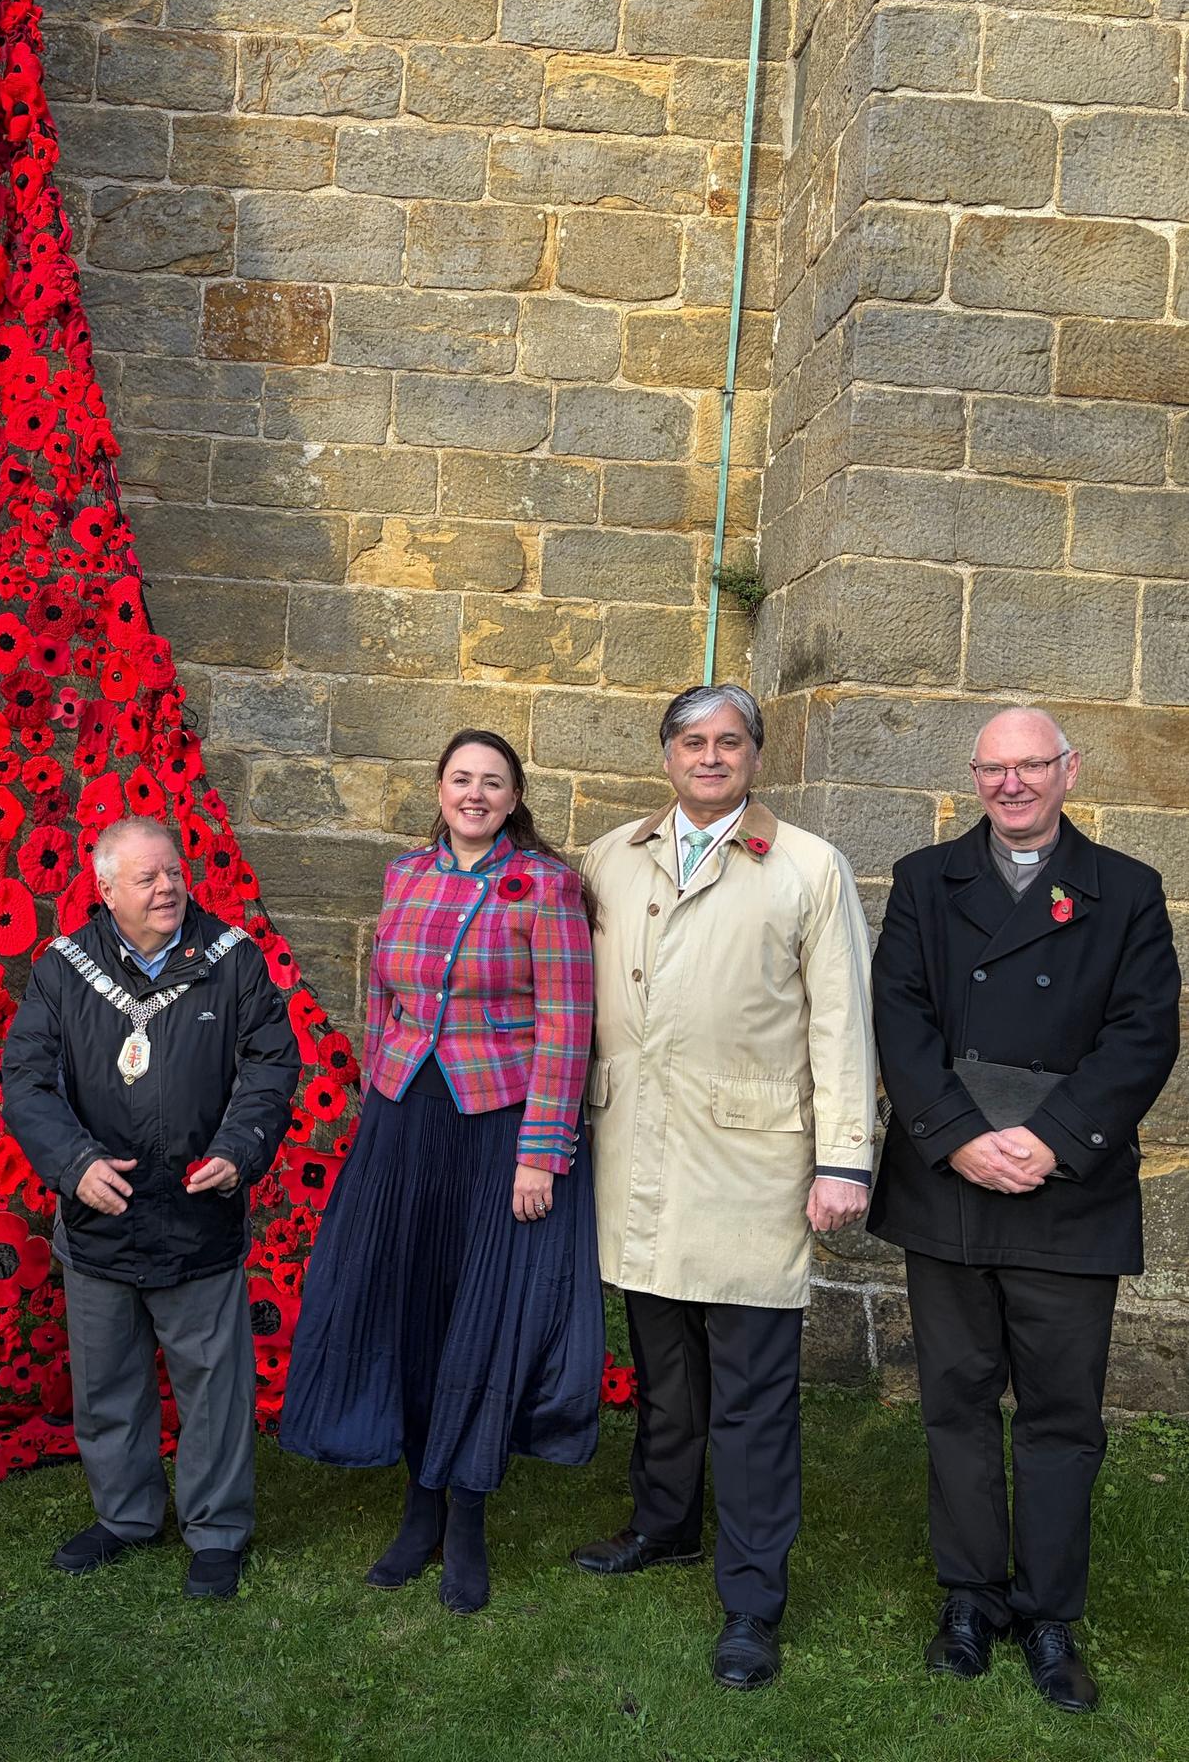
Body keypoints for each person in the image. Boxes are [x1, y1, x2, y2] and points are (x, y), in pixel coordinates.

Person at [868, 707, 1180, 1713]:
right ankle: (966, 1596)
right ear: (972, 775)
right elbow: (897, 1015)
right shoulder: (922, 879)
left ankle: (1046, 1612)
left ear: (1066, 770)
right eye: (991, 767)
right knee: (954, 1401)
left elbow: (1142, 1034)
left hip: (1066, 1188)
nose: (1010, 783)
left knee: (1058, 1412)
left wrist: (1048, 1140)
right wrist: (959, 1135)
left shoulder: (1125, 890)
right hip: (947, 1178)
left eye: (1029, 765)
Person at [572, 684, 875, 1690]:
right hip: (638, 1155)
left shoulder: (804, 865)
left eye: (728, 741)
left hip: (750, 1164)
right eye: (692, 741)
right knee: (665, 1372)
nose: (710, 756)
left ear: (754, 755)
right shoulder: (610, 857)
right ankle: (665, 1522)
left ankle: (750, 1598)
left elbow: (839, 1021)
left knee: (748, 1397)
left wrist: (842, 1157)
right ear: (665, 754)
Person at [280, 729, 602, 1615]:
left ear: (512, 797)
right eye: (460, 779)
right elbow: (381, 994)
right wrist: (383, 1079)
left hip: (494, 1128)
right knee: (406, 1307)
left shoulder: (546, 887)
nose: (473, 794)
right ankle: (416, 1510)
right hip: (403, 1120)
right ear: (437, 788)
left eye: (491, 783)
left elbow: (567, 1030)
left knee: (476, 1319)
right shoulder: (403, 877)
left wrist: (540, 1155)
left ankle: (465, 1518)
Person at [2, 815, 299, 1598]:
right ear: (105, 889)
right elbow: (26, 1081)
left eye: (173, 872)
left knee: (213, 1387)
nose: (167, 888)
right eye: (147, 878)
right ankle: (126, 1516)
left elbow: (271, 1064)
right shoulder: (62, 971)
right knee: (107, 1386)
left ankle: (217, 1531)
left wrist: (238, 1149)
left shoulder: (231, 963)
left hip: (197, 1214)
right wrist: (74, 1163)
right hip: (99, 1218)